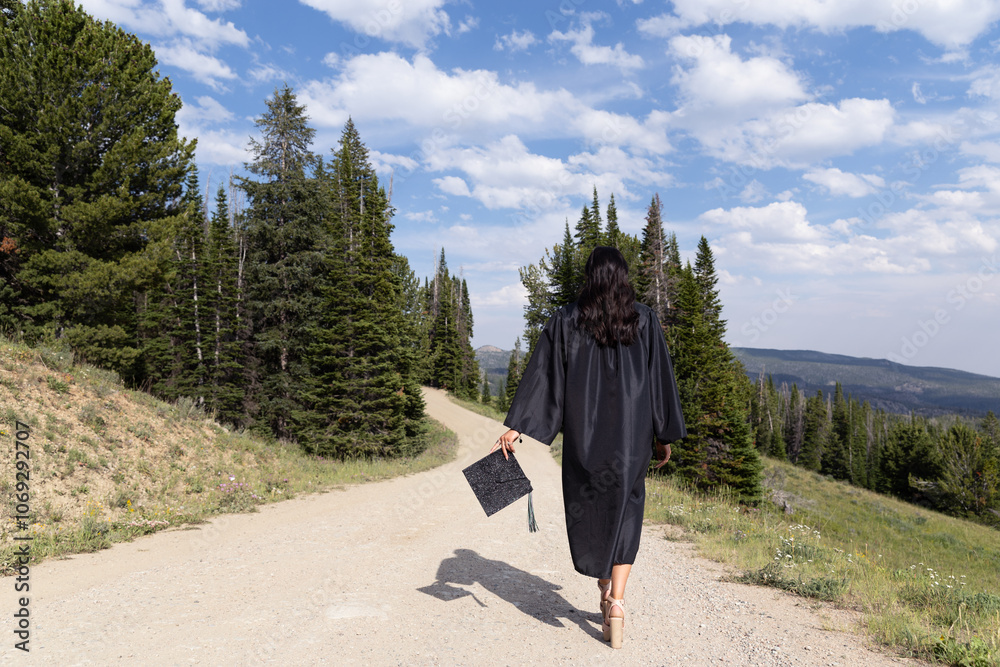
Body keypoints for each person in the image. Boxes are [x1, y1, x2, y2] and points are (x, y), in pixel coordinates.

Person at [491, 245, 686, 649]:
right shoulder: (644, 319)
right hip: (631, 439)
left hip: (585, 437)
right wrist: (662, 434)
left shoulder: (567, 319)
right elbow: (659, 379)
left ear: (590, 277)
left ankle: (602, 587)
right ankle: (617, 601)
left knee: (593, 509)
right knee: (628, 509)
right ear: (623, 278)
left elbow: (545, 376)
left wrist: (517, 427)